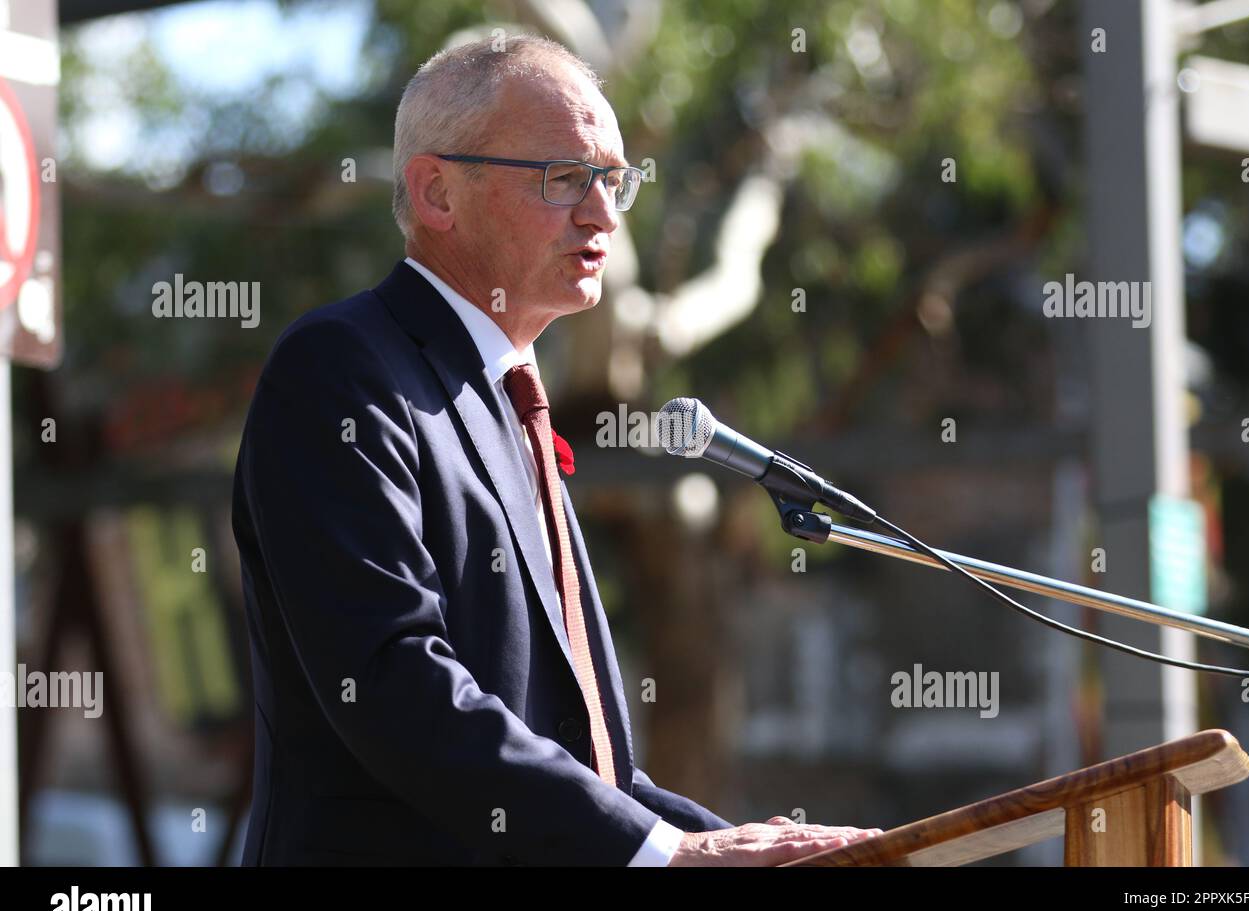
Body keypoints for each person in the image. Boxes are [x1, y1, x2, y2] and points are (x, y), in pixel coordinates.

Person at [232, 33, 881, 866]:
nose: (602, 213)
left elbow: (591, 773)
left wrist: (754, 849)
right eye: (564, 177)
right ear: (436, 191)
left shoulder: (511, 403)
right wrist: (671, 856)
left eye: (614, 180)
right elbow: (393, 684)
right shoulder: (343, 371)